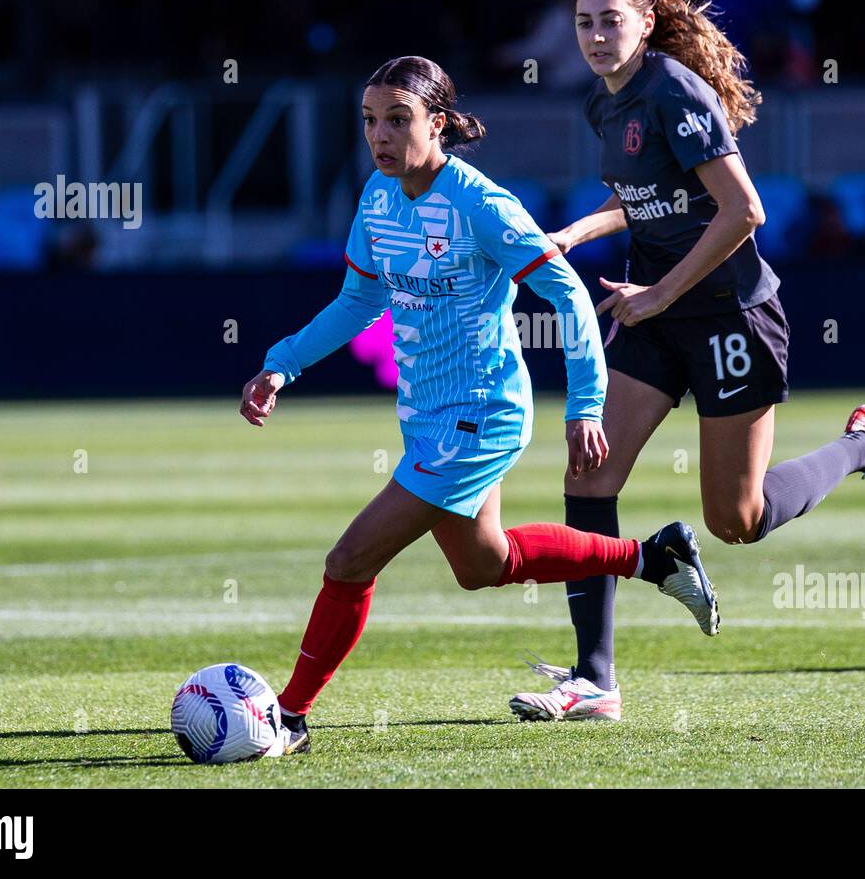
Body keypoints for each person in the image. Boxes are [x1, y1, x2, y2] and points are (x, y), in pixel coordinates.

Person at [239, 55, 719, 753]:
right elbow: (357, 301)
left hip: (482, 415)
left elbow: (568, 294)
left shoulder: (480, 204)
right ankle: (655, 558)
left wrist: (586, 404)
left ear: (437, 123)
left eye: (397, 119)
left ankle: (290, 717)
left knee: (348, 560)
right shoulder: (377, 198)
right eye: (370, 119)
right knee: (483, 565)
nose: (380, 134)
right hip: (428, 417)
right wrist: (281, 364)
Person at [509, 0, 865, 723]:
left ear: (644, 23)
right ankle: (595, 680)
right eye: (584, 23)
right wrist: (576, 230)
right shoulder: (604, 103)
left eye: (610, 21)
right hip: (657, 313)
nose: (596, 36)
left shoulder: (672, 89)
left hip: (731, 314)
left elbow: (744, 210)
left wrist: (661, 292)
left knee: (737, 519)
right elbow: (641, 196)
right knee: (589, 474)